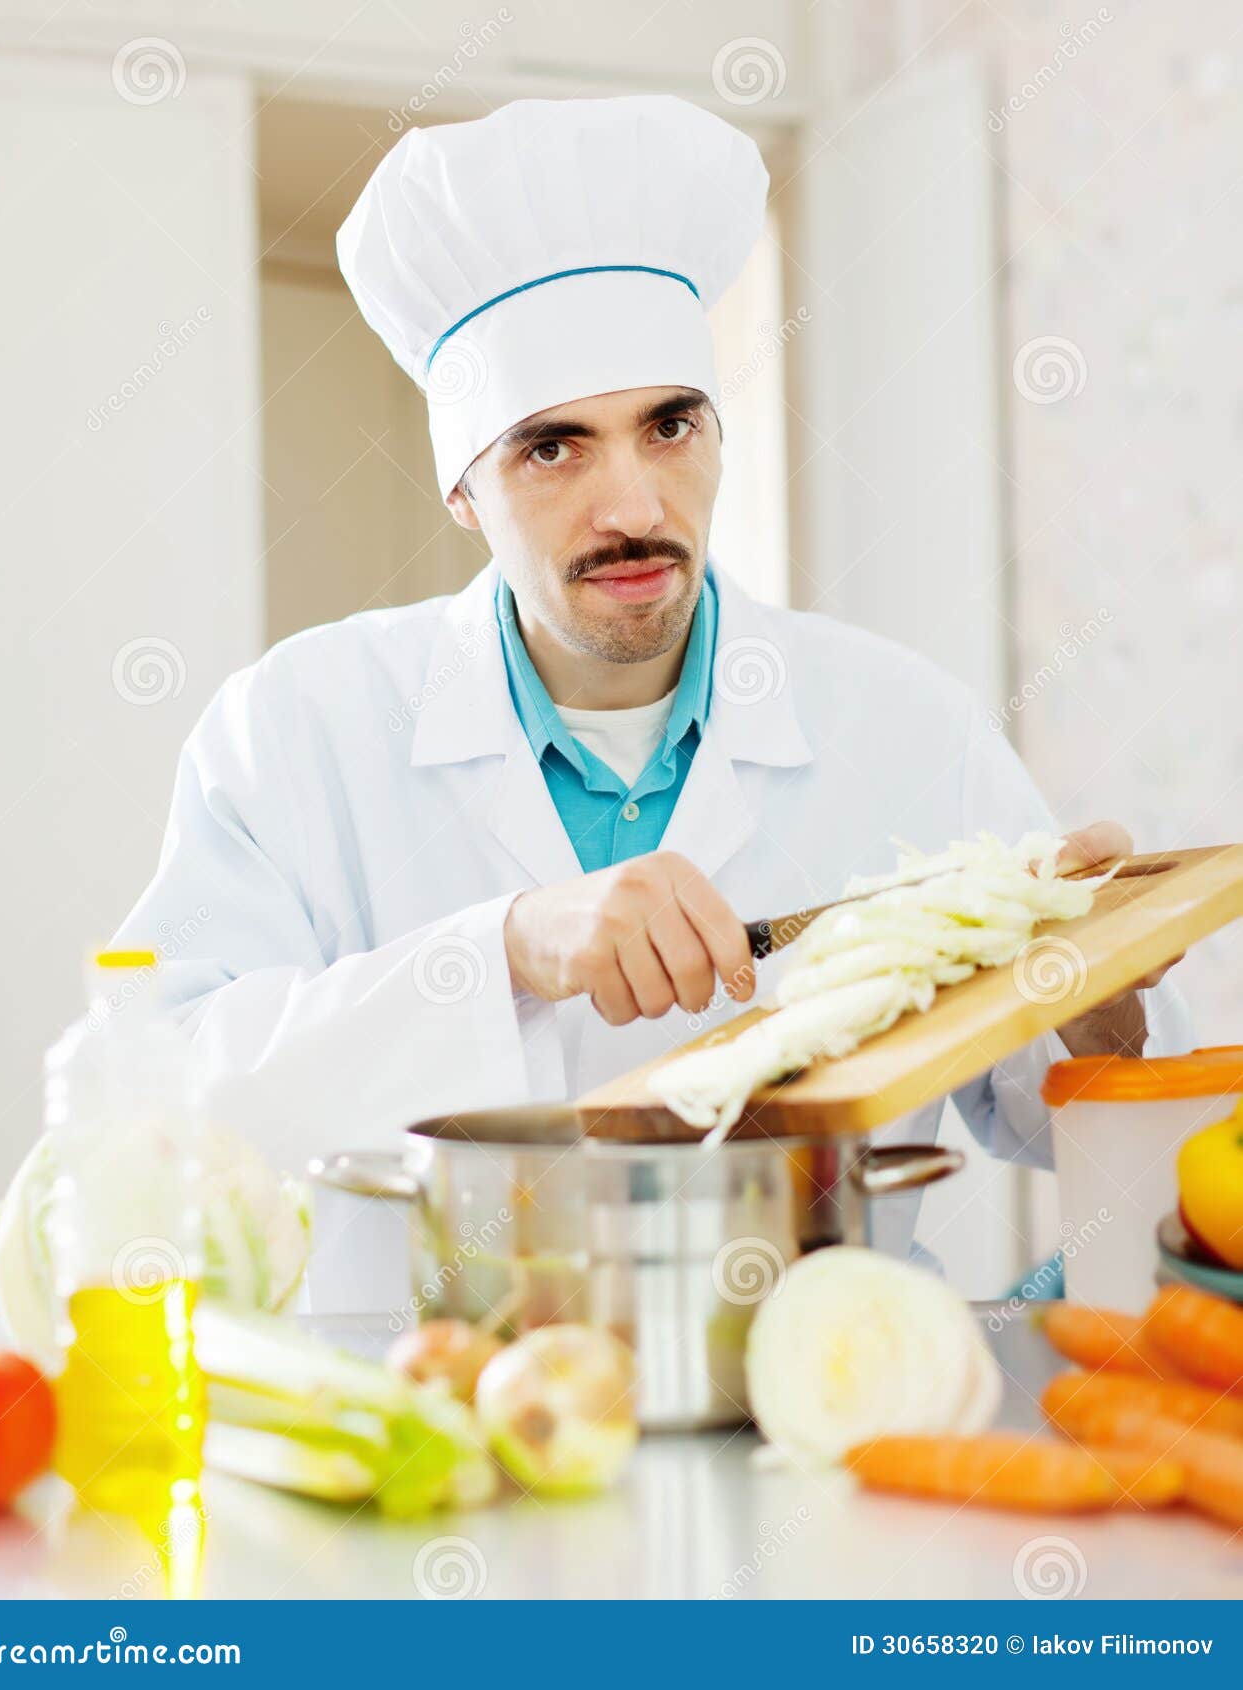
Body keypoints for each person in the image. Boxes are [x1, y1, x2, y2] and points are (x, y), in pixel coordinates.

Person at [108, 95, 1190, 1276]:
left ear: (718, 435)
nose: (630, 508)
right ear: (463, 490)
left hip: (815, 1404)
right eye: (552, 446)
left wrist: (1096, 998)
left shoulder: (902, 723)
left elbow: (1077, 1122)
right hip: (447, 1409)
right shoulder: (294, 726)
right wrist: (502, 951)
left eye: (669, 425)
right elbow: (161, 1109)